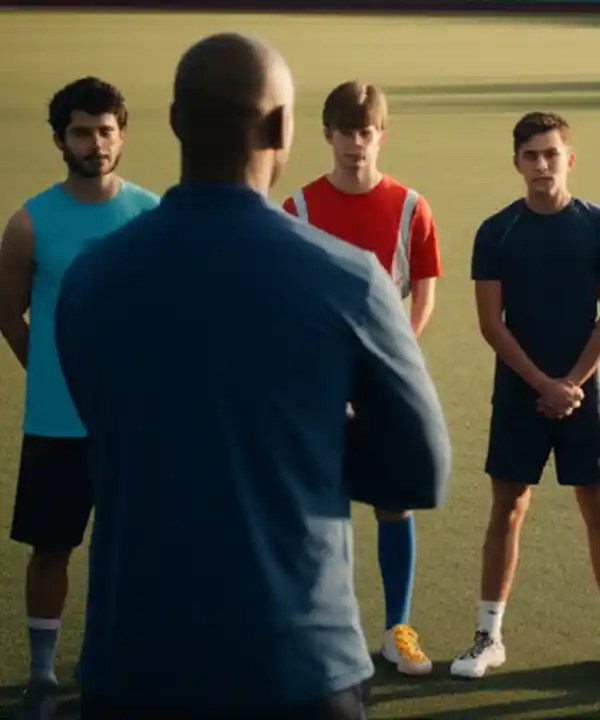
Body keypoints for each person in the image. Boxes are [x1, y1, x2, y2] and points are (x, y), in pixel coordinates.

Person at [55, 33, 450, 719]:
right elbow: (420, 471)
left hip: (133, 664)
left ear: (176, 122)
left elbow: (105, 415)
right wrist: (307, 435)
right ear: (282, 128)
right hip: (298, 665)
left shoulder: (92, 276)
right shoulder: (347, 280)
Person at [450, 111, 600, 682]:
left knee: (598, 504)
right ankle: (488, 635)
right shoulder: (496, 232)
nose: (542, 164)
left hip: (585, 390)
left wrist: (573, 384)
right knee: (507, 506)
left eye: (551, 153)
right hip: (520, 391)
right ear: (516, 162)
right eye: (531, 155)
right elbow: (492, 322)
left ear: (569, 159)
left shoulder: (599, 225)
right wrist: (543, 385)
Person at [0, 76, 159, 720]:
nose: (95, 143)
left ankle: (125, 665)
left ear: (121, 134)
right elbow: (10, 317)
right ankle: (43, 677)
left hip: (134, 423)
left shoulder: (153, 215)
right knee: (51, 547)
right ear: (60, 139)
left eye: (105, 131)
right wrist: (54, 376)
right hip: (58, 422)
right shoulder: (28, 222)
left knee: (137, 546)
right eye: (81, 132)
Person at [282, 80, 443, 676]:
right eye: (345, 132)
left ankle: (397, 629)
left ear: (382, 135)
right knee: (314, 510)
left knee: (393, 504)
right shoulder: (296, 209)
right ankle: (311, 631)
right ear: (327, 135)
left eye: (366, 132)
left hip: (385, 386)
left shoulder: (410, 207)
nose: (356, 144)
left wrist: (390, 358)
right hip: (317, 388)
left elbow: (424, 290)